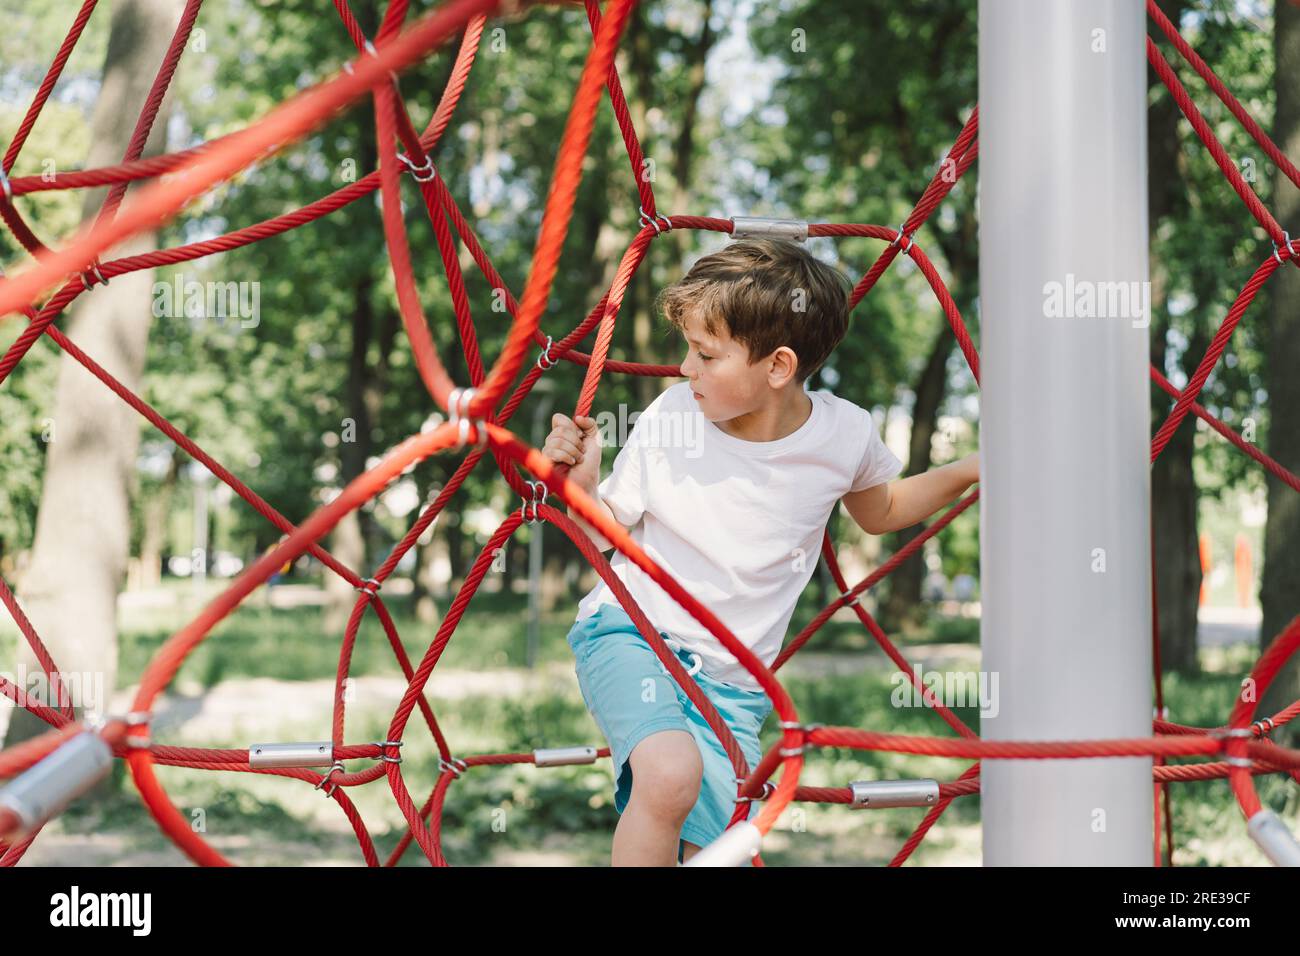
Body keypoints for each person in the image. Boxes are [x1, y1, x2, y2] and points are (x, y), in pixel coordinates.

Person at [541, 238, 979, 866]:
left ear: (777, 367)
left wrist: (969, 469)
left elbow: (880, 511)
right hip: (632, 632)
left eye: (705, 354)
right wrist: (581, 491)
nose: (685, 369)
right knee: (668, 777)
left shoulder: (844, 434)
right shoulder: (672, 418)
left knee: (714, 850)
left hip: (733, 683)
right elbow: (607, 530)